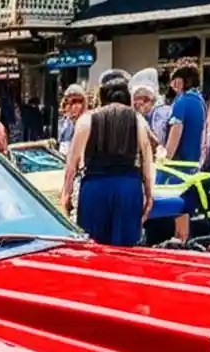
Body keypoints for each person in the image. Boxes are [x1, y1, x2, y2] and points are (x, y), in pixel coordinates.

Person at [60, 77, 155, 246]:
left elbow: (71, 164)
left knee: (94, 248)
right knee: (126, 250)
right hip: (128, 189)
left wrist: (65, 196)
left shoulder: (86, 121)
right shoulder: (138, 120)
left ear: (101, 98)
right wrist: (149, 195)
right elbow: (147, 161)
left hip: (96, 189)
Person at [165, 63, 206, 166]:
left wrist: (165, 160)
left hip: (180, 165)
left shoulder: (182, 102)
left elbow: (175, 133)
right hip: (196, 163)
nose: (172, 84)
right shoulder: (201, 101)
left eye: (175, 80)